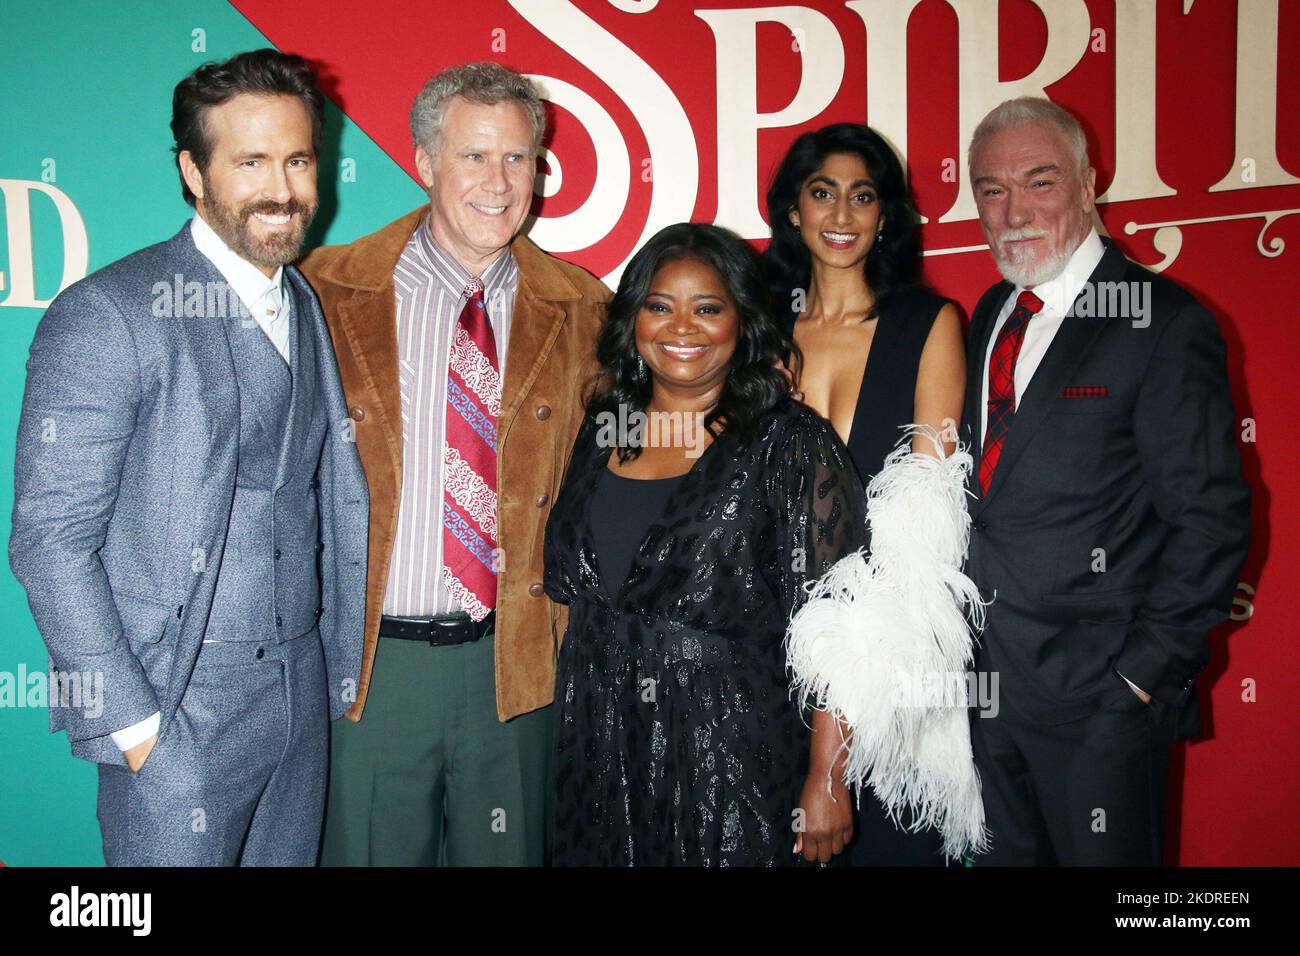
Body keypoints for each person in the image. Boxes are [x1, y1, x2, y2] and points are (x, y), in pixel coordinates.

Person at [8, 50, 369, 866]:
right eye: (250, 162)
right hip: (175, 706)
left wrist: (327, 679)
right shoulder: (108, 313)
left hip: (299, 699)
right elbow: (48, 541)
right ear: (193, 171)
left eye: (298, 159)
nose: (282, 188)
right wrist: (137, 731)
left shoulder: (302, 299)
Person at [299, 62, 609, 866]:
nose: (500, 182)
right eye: (474, 156)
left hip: (517, 671)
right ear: (425, 162)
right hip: (373, 673)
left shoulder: (584, 309)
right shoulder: (326, 292)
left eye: (518, 158)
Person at [961, 97, 1250, 865]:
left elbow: (1212, 519)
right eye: (991, 190)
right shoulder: (991, 309)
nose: (1014, 211)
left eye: (1040, 181)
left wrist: (1139, 682)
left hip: (1101, 707)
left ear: (1089, 185)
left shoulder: (1163, 321)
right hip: (982, 699)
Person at [543, 222, 866, 866]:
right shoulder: (607, 427)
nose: (680, 327)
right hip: (596, 742)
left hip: (728, 746)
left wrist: (828, 777)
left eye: (707, 308)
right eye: (659, 306)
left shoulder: (790, 443)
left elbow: (844, 627)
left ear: (742, 321)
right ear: (633, 319)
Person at [763, 123, 970, 866]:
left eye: (863, 196)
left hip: (885, 675)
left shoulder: (929, 325)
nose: (843, 216)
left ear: (886, 216)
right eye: (823, 194)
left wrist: (833, 759)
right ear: (793, 210)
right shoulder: (754, 326)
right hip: (760, 672)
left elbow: (918, 546)